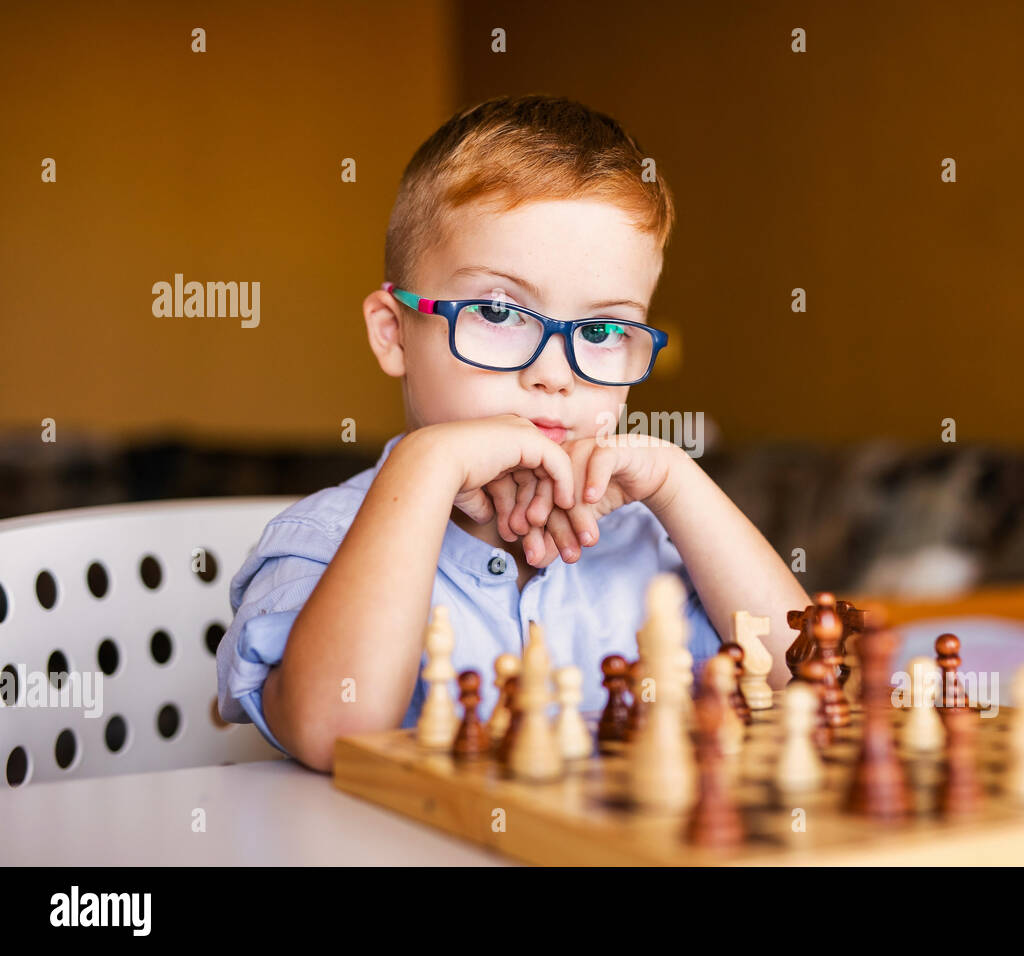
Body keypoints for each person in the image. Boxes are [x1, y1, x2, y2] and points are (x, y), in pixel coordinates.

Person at [216, 95, 809, 771]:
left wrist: (680, 485)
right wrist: (426, 465)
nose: (554, 372)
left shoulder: (654, 548)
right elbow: (334, 732)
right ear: (394, 333)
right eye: (499, 311)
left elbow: (817, 688)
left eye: (605, 329)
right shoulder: (321, 542)